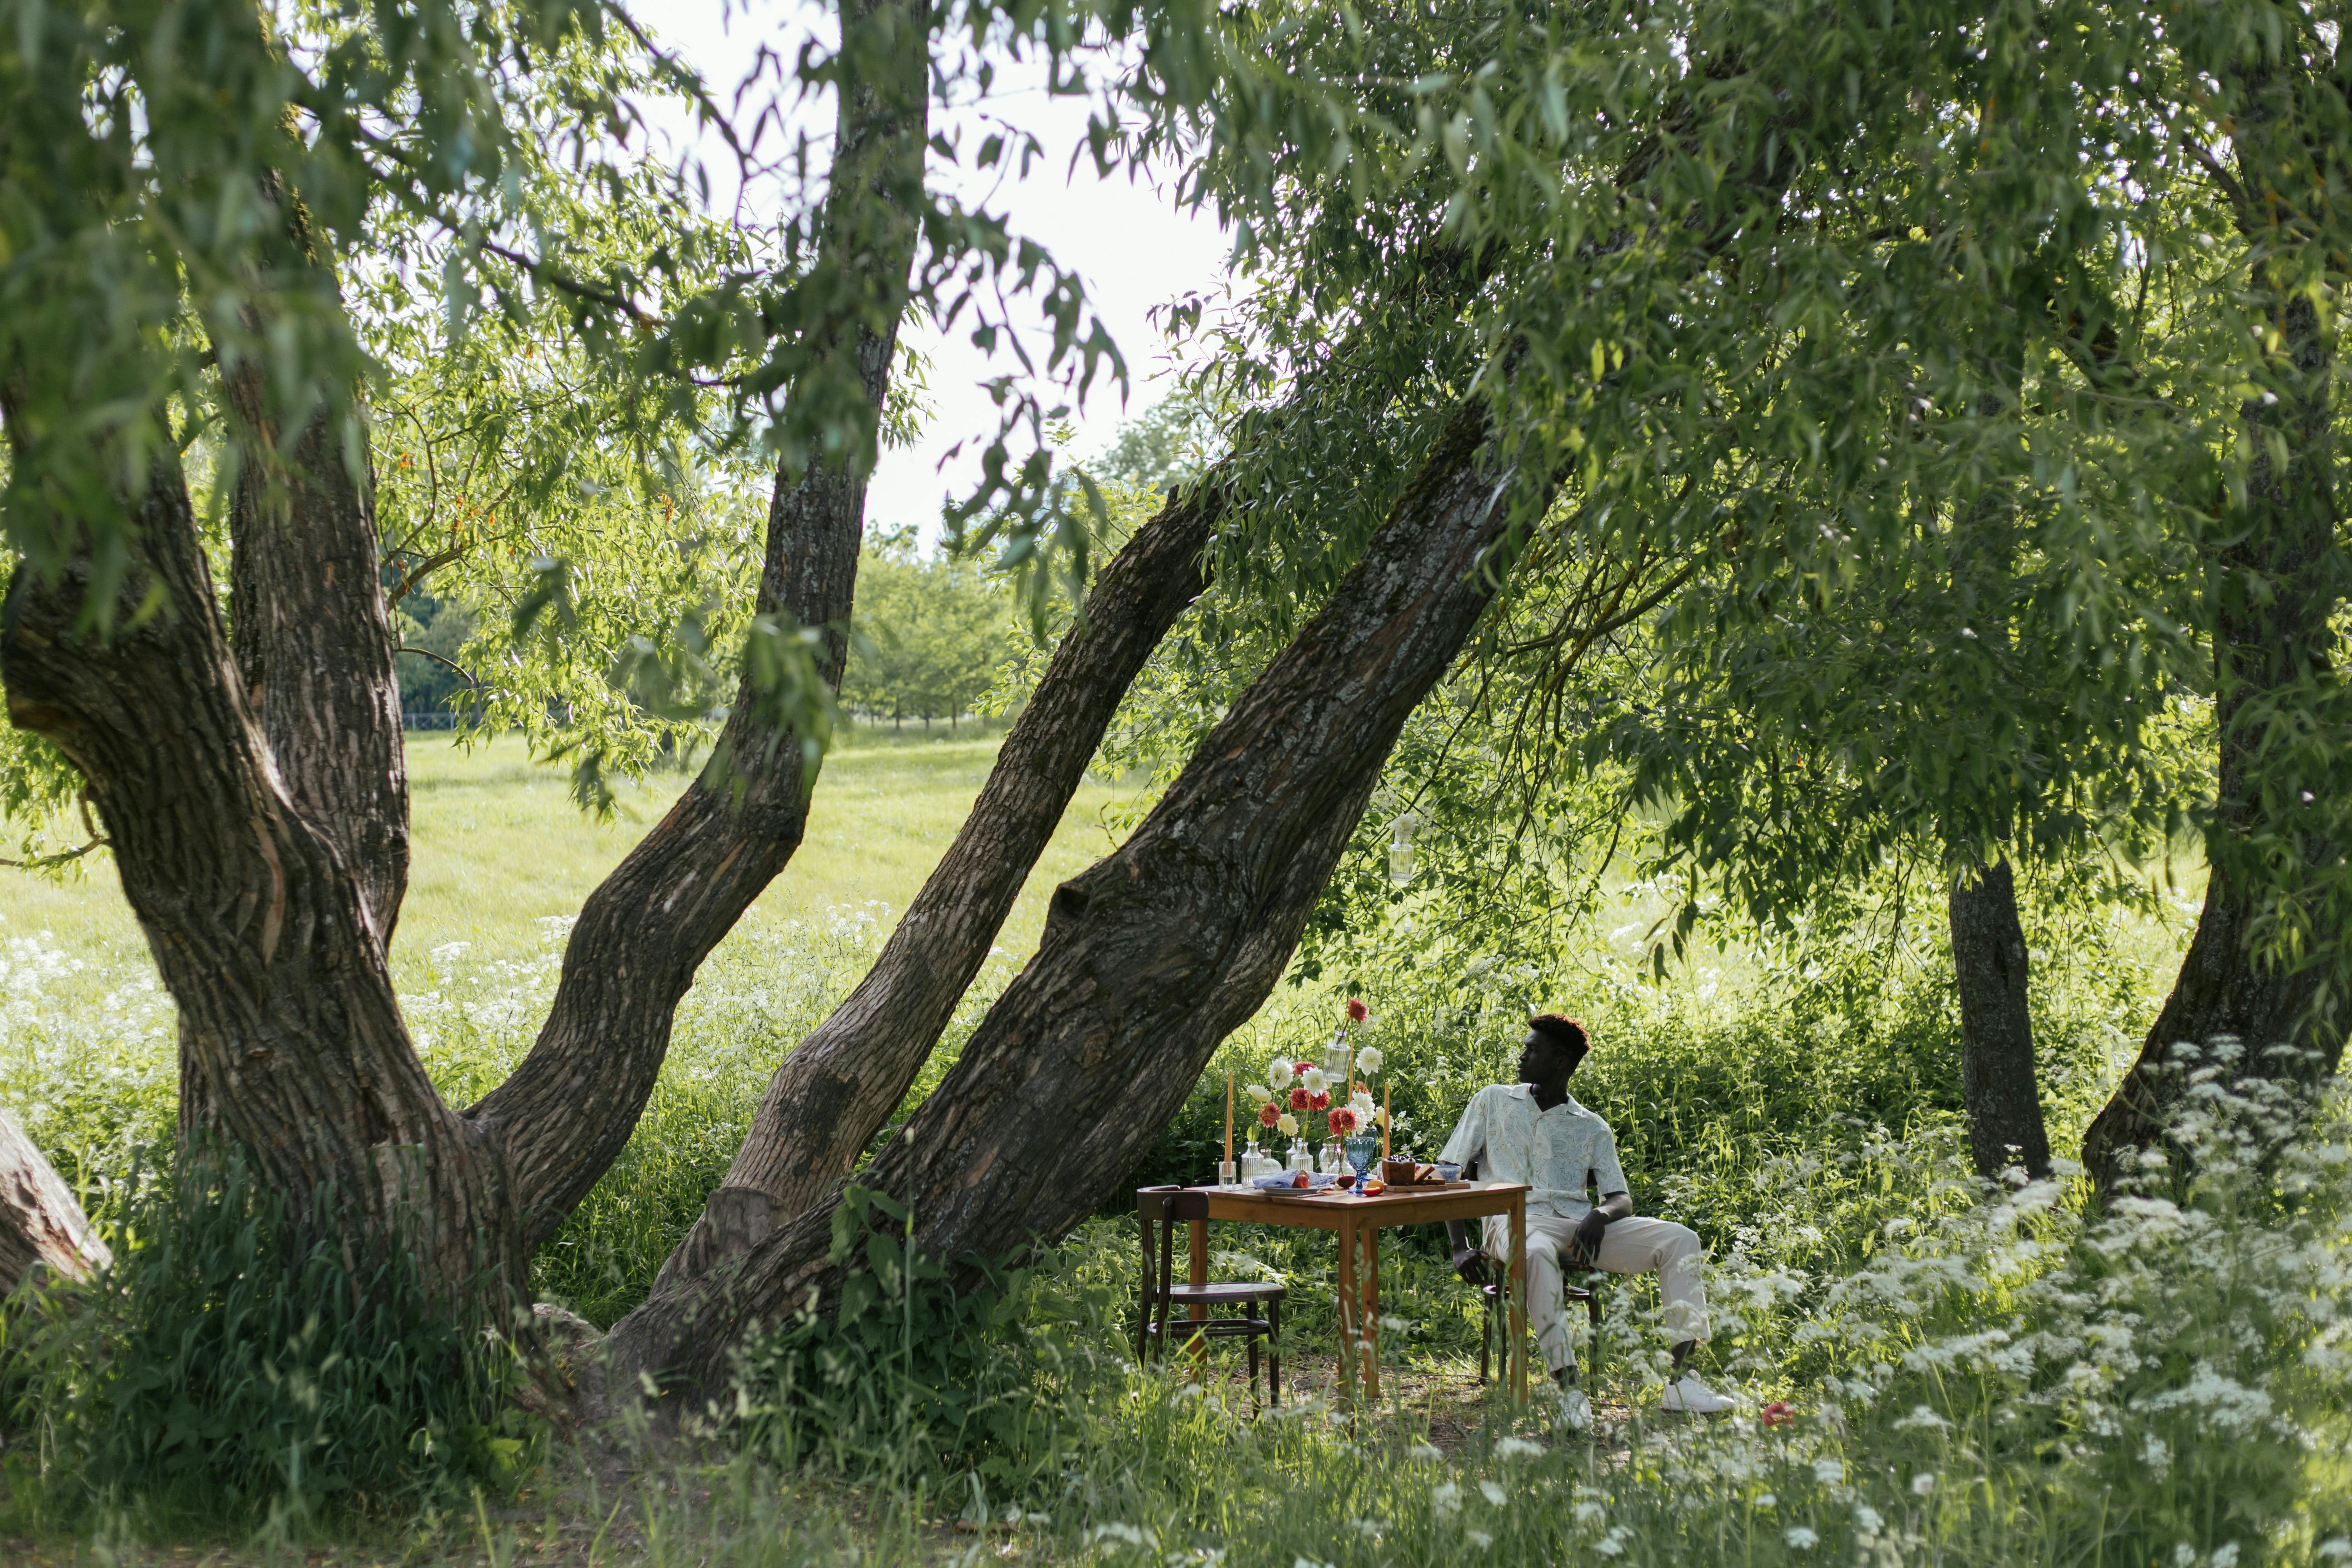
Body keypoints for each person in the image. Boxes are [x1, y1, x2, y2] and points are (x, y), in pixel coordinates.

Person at [1439, 1012, 1732, 1419]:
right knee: (1535, 1251)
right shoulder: (1493, 1100)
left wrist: (1601, 1213)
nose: (1522, 1056)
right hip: (1511, 1218)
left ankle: (1680, 1383)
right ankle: (1571, 1392)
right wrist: (1459, 1246)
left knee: (1681, 1240)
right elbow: (1447, 1170)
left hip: (1580, 1226)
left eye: (1532, 1049)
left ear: (1560, 1062)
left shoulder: (1592, 1127)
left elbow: (1620, 1198)